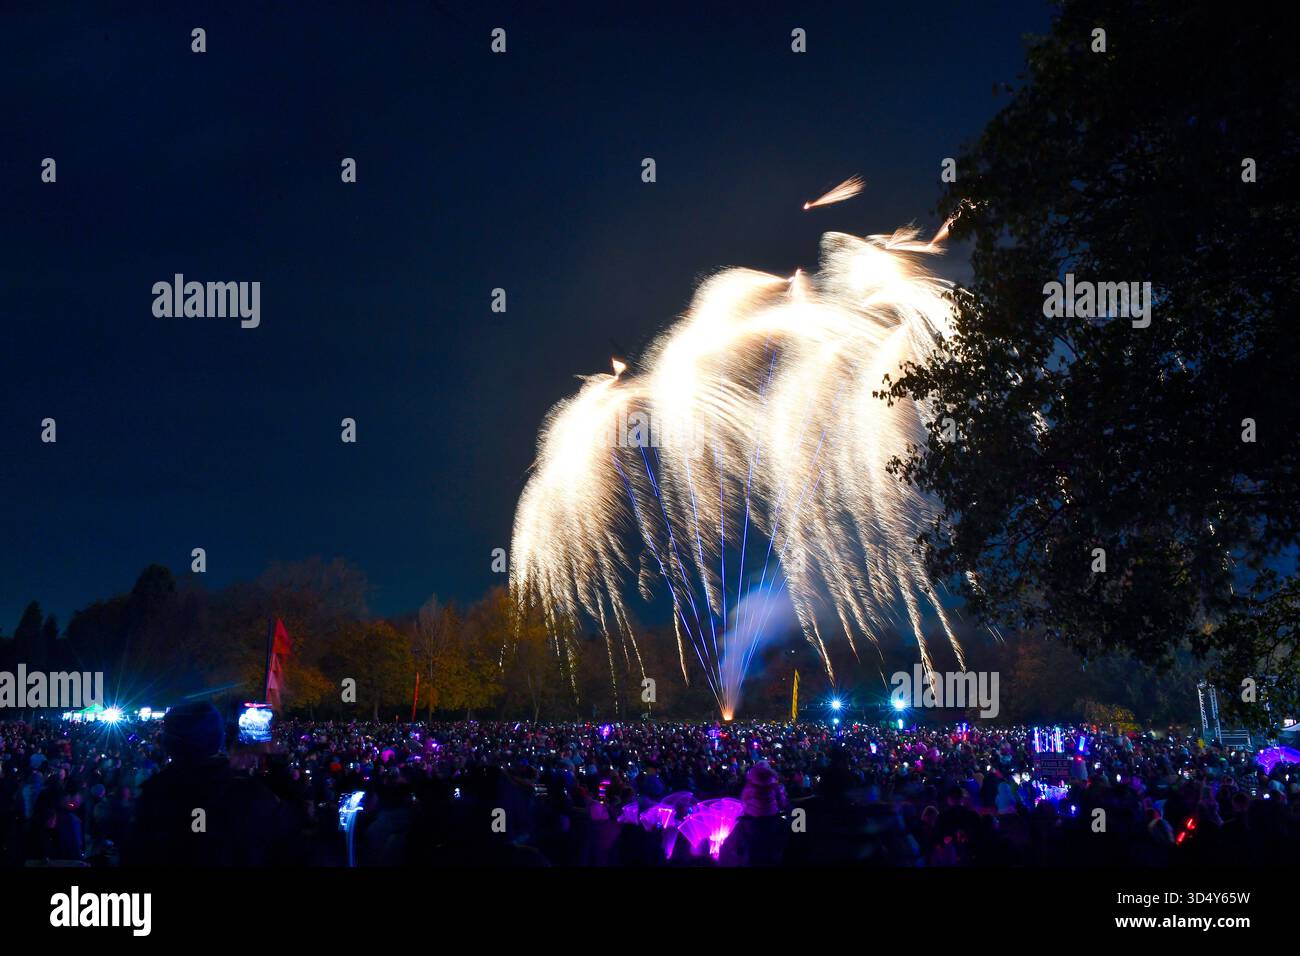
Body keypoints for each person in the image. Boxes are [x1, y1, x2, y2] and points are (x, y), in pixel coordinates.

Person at [124, 702, 298, 866]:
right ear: (218, 738)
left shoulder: (153, 794)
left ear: (168, 744)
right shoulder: (249, 792)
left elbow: (136, 853)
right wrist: (279, 770)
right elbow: (288, 843)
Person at [719, 763, 788, 867]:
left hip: (752, 818)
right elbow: (782, 803)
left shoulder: (749, 787)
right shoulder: (775, 786)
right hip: (772, 817)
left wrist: (752, 808)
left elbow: (743, 802)